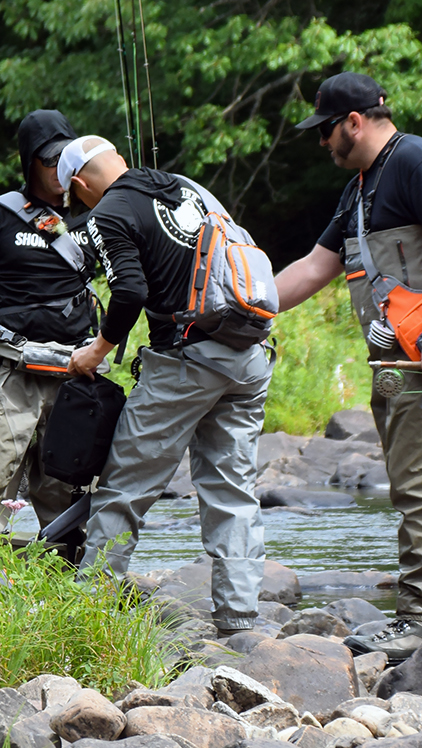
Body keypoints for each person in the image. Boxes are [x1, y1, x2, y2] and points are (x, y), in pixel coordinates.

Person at [272, 72, 422, 660]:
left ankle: (420, 616)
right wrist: (243, 302)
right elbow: (313, 268)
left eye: (324, 131)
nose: (322, 143)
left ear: (353, 122)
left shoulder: (420, 160)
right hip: (397, 361)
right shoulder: (358, 191)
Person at [60, 136, 272, 636]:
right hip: (248, 354)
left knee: (124, 487)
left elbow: (129, 291)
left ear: (79, 184)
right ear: (119, 159)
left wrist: (96, 351)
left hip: (186, 361)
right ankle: (239, 619)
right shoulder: (184, 187)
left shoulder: (109, 212)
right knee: (233, 490)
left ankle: (88, 612)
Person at [0, 110, 99, 533]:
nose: (59, 168)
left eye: (65, 157)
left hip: (75, 375)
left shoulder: (98, 215)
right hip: (10, 373)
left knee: (68, 502)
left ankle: (64, 571)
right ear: (29, 162)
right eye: (49, 160)